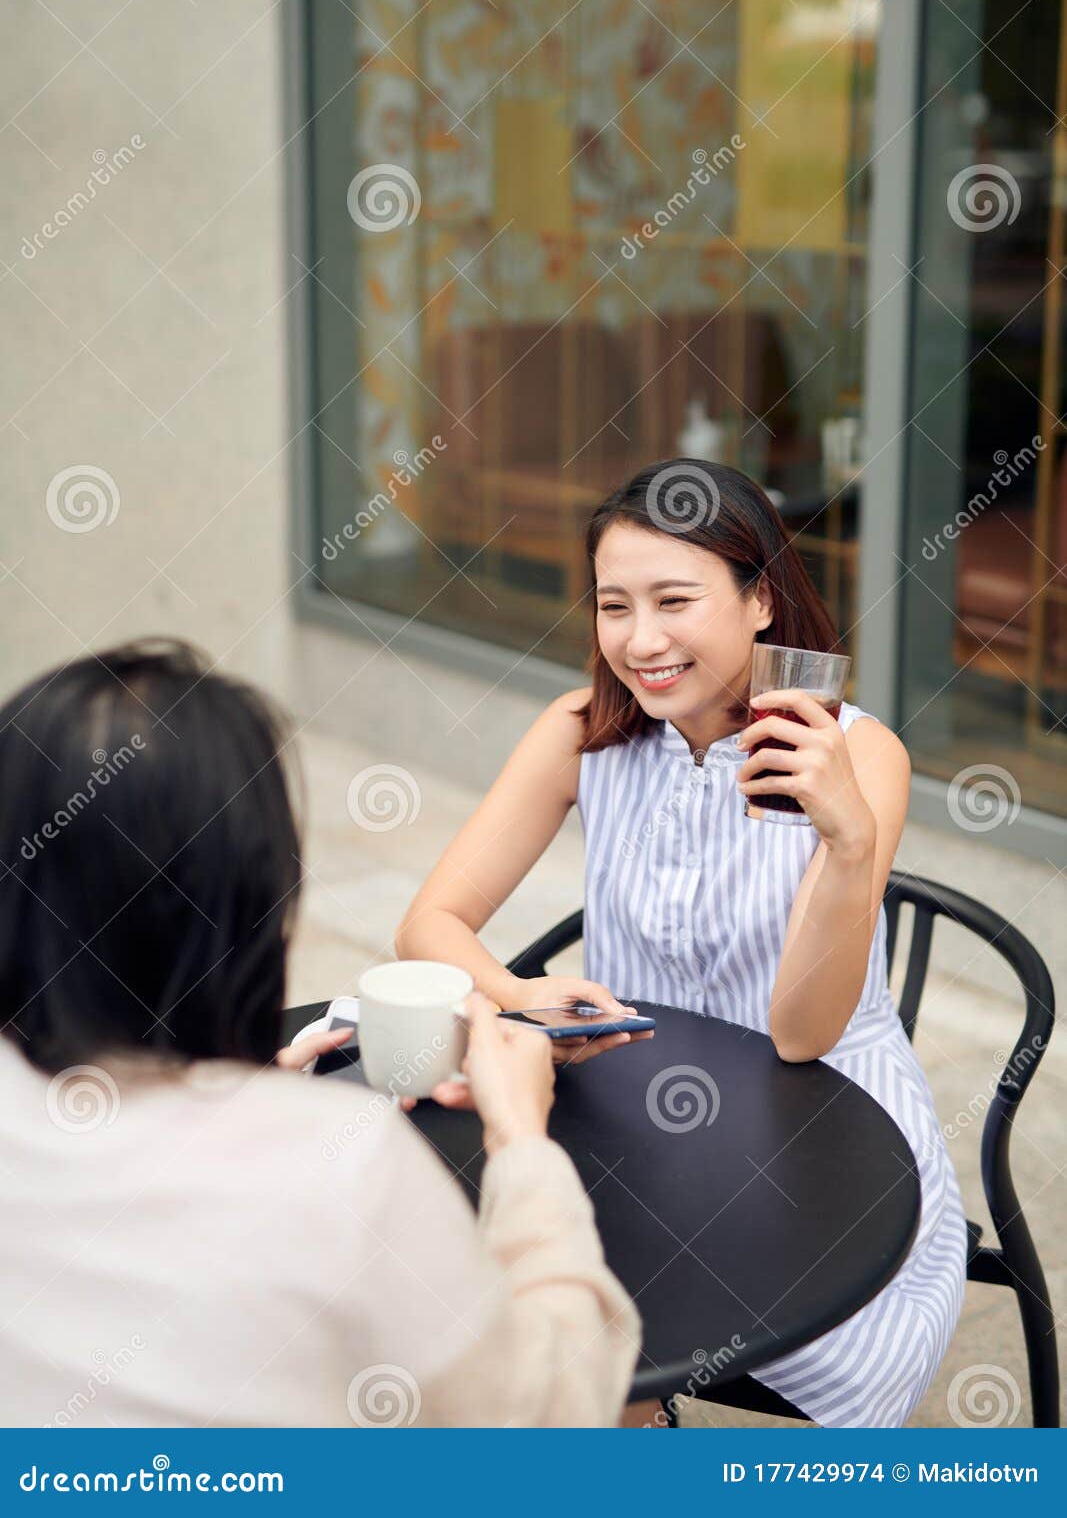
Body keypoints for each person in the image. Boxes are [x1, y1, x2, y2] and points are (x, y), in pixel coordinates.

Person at [399, 459, 968, 1427]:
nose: (640, 640)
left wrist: (846, 838)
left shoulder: (856, 753)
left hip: (824, 1136)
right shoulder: (580, 734)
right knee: (512, 1298)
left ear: (757, 600)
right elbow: (428, 924)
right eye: (613, 606)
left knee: (790, 1343)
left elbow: (799, 1031)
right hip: (635, 1122)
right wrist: (518, 995)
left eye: (674, 600)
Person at [0, 641, 638, 1428]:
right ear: (254, 891)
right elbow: (542, 1419)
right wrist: (520, 1139)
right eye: (614, 603)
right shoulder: (346, 1167)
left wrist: (253, 1085)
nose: (640, 639)